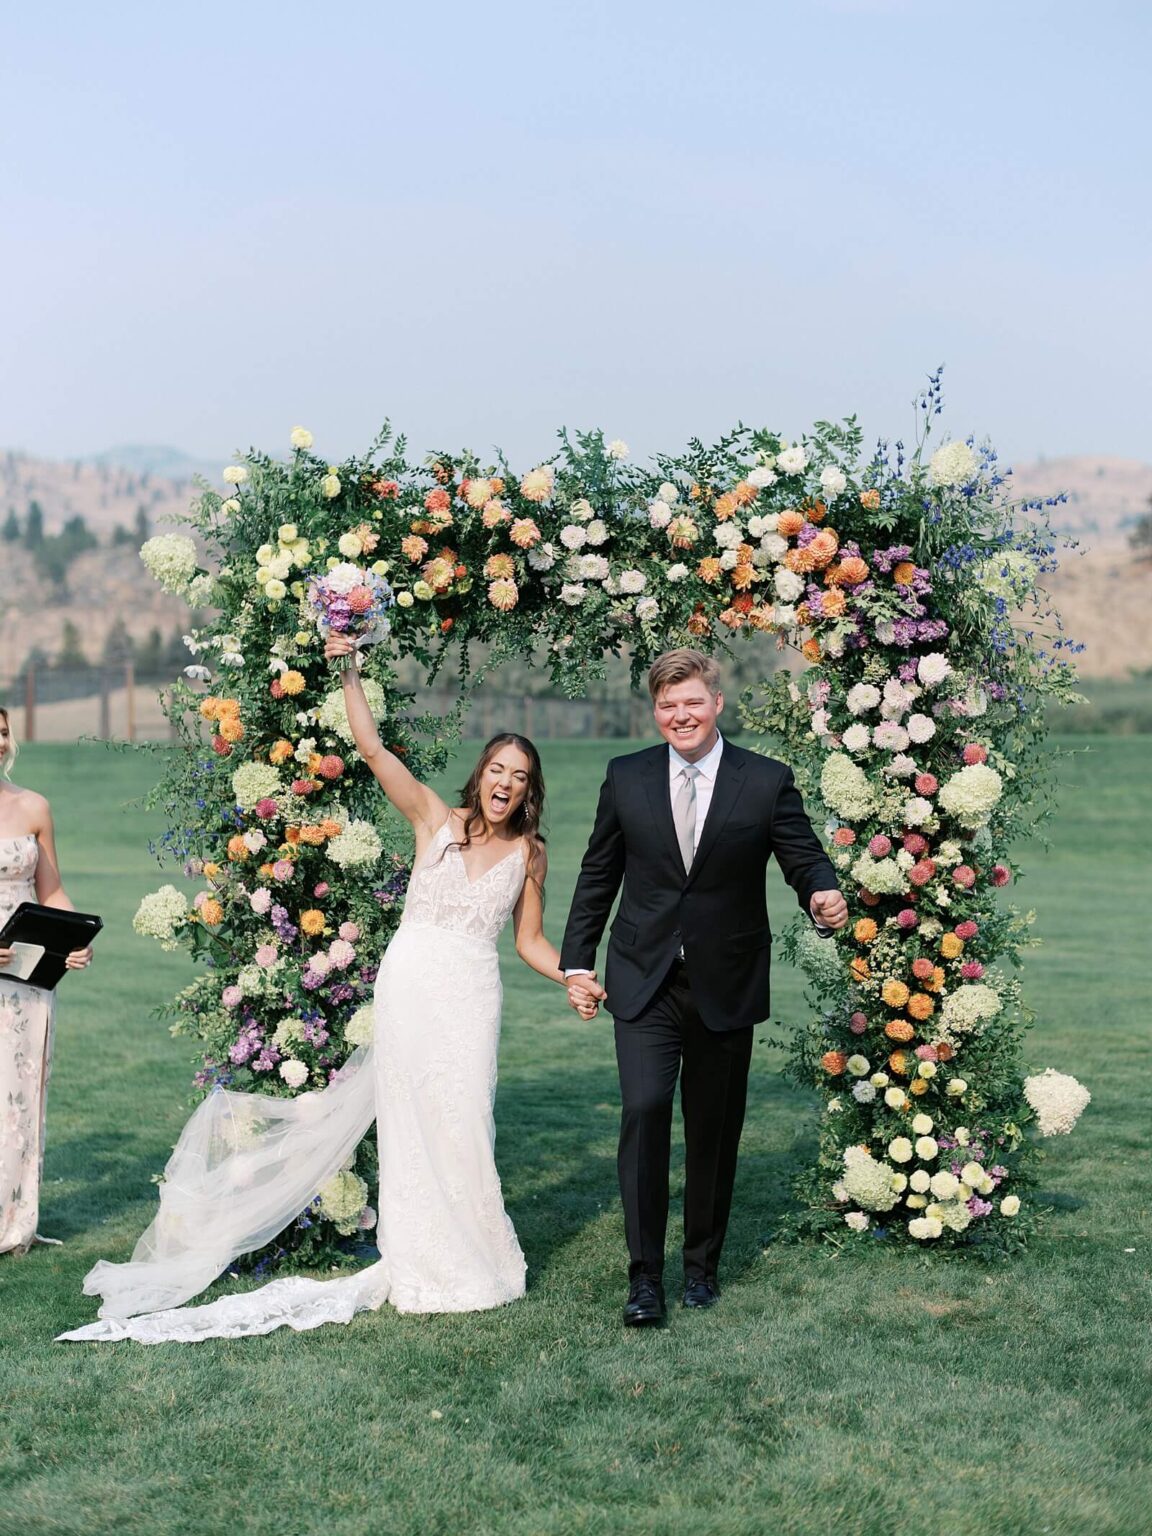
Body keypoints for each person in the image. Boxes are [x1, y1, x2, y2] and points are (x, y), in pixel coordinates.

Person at [59, 642, 594, 1342]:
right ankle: (421, 1263)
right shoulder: (435, 818)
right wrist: (349, 668)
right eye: (497, 769)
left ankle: (475, 1258)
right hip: (412, 985)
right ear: (481, 772)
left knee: (464, 1119)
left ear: (529, 790)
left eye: (519, 777)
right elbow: (371, 748)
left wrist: (572, 974)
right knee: (412, 1124)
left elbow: (529, 940)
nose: (505, 783)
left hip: (472, 994)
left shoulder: (530, 853)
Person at [562, 648, 847, 1325]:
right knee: (644, 1111)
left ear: (717, 703)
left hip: (726, 982)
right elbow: (599, 873)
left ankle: (700, 1268)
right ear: (655, 711)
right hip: (643, 979)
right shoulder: (625, 776)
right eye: (668, 705)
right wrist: (577, 962)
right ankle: (644, 1279)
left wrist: (822, 894)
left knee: (713, 1129)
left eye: (692, 701)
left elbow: (803, 857)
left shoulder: (765, 780)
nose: (680, 715)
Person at [0, 705, 93, 1256]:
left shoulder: (34, 806)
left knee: (17, 1100)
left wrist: (76, 937)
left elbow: (52, 891)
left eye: (2, 732)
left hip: (26, 979)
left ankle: (12, 1219)